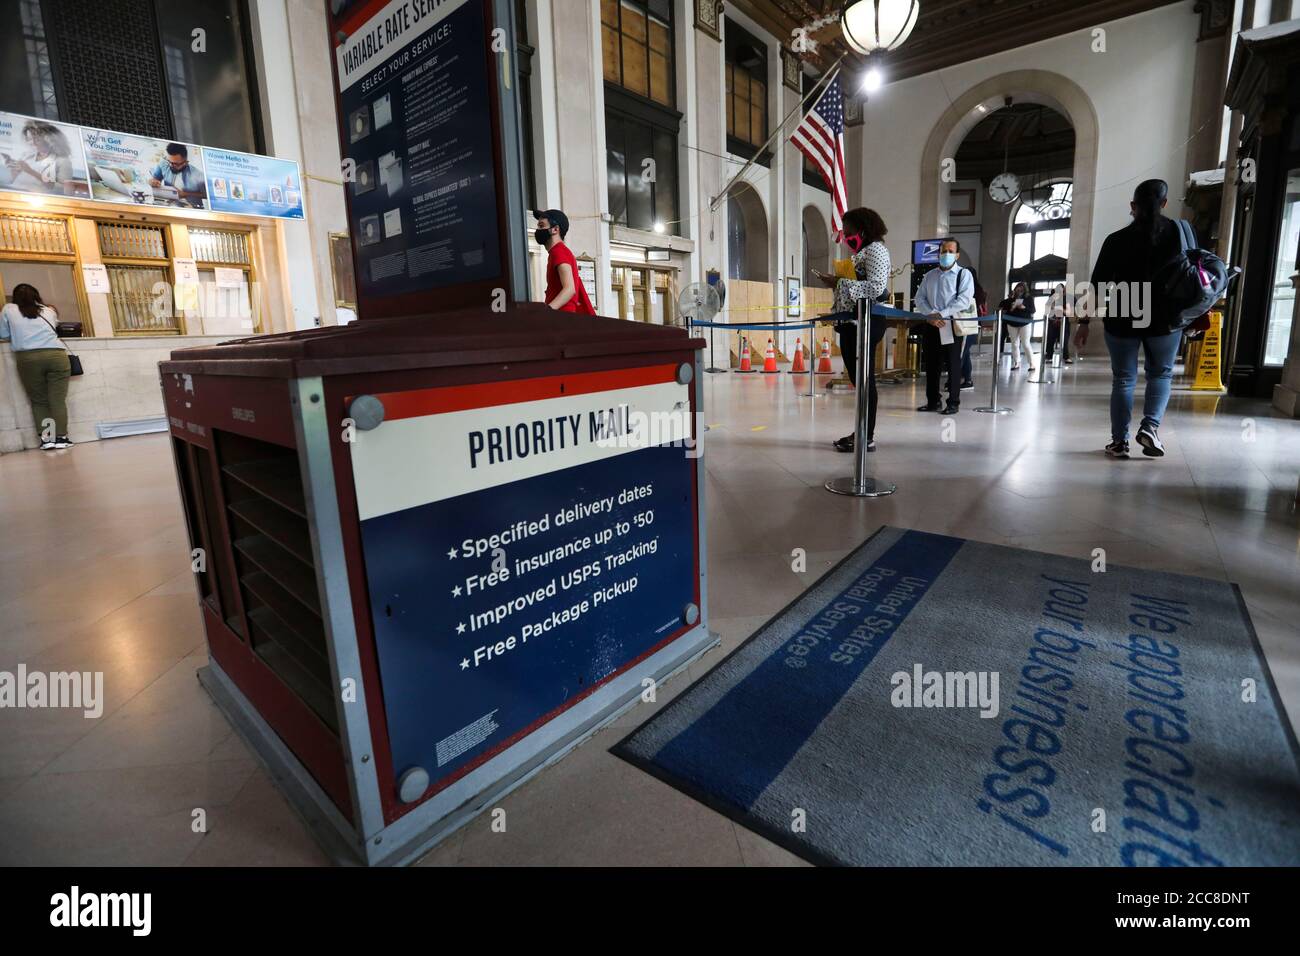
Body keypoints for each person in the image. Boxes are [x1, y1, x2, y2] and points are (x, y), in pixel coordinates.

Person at [1089, 178, 1185, 459]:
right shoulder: (1178, 235)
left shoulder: (1116, 240)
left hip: (1123, 315)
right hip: (1165, 319)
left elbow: (1097, 286)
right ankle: (1150, 427)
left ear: (1133, 206)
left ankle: (1120, 443)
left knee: (1123, 380)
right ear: (1165, 203)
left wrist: (1083, 323)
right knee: (1161, 373)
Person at [811, 207, 891, 453]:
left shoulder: (876, 249)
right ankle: (862, 432)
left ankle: (867, 436)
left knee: (865, 381)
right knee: (860, 380)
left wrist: (840, 282)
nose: (846, 237)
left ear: (863, 229)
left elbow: (877, 288)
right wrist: (837, 282)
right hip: (852, 323)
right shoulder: (864, 251)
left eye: (848, 231)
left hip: (866, 321)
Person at [0, 284, 73, 450]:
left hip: (28, 359)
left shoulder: (9, 309)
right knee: (57, 400)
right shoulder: (49, 310)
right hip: (56, 356)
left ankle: (48, 440)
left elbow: (3, 334)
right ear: (37, 295)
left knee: (39, 400)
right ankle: (62, 438)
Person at [913, 237, 975, 415]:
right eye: (943, 251)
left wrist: (942, 314)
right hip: (932, 324)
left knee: (953, 365)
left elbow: (963, 300)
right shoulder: (930, 275)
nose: (946, 254)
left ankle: (953, 402)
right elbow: (919, 298)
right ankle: (933, 401)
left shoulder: (964, 274)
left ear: (957, 255)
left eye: (950, 251)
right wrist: (931, 314)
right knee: (932, 365)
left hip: (952, 325)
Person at [534, 209, 595, 315]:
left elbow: (570, 289)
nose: (538, 230)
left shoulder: (559, 252)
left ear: (555, 229)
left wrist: (547, 310)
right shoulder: (558, 252)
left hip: (561, 317)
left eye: (541, 225)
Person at [3, 120, 79, 196]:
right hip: (13, 192)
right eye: (29, 139)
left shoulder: (62, 161)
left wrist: (30, 171)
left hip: (34, 198)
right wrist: (14, 172)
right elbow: (16, 182)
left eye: (36, 139)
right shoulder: (26, 156)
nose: (32, 143)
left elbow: (65, 190)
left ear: (50, 140)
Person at [998, 281, 1039, 375]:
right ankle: (1017, 362)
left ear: (1025, 290)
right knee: (1014, 343)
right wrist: (1011, 302)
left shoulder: (1028, 298)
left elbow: (1033, 310)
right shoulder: (1011, 298)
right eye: (1018, 288)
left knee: (1025, 343)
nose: (1019, 290)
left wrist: (1023, 307)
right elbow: (1003, 307)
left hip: (1025, 322)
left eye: (1021, 289)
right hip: (1012, 322)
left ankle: (1032, 363)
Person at [1044, 282, 1074, 366]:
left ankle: (1066, 357)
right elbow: (1048, 308)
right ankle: (1049, 356)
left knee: (1064, 340)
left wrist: (1060, 308)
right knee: (1050, 339)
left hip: (1064, 322)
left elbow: (1069, 312)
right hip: (1052, 321)